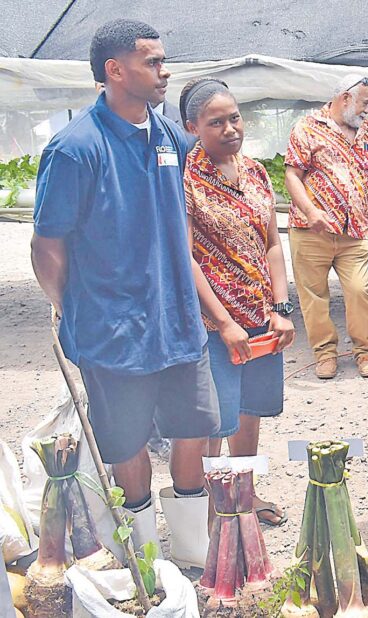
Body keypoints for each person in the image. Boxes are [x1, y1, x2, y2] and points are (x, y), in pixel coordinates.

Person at [30, 19, 218, 568]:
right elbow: (48, 246)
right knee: (126, 442)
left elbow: (176, 221)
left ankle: (189, 555)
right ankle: (143, 558)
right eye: (153, 63)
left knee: (194, 429)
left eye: (163, 60)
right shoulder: (74, 149)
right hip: (113, 329)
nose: (165, 72)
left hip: (177, 320)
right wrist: (73, 308)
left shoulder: (167, 138)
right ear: (115, 71)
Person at [179, 78, 296, 527]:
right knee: (218, 421)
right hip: (215, 326)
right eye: (215, 122)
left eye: (234, 118)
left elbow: (271, 244)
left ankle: (243, 496)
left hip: (262, 320)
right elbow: (185, 257)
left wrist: (280, 308)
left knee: (251, 411)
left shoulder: (254, 172)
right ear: (192, 127)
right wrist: (224, 322)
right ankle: (215, 511)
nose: (230, 129)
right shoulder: (186, 181)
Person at [284, 75, 368, 379]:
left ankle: (365, 352)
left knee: (359, 289)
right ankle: (325, 354)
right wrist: (311, 211)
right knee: (313, 296)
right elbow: (292, 176)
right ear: (345, 98)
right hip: (312, 231)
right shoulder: (308, 128)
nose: (367, 109)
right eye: (364, 103)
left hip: (354, 233)